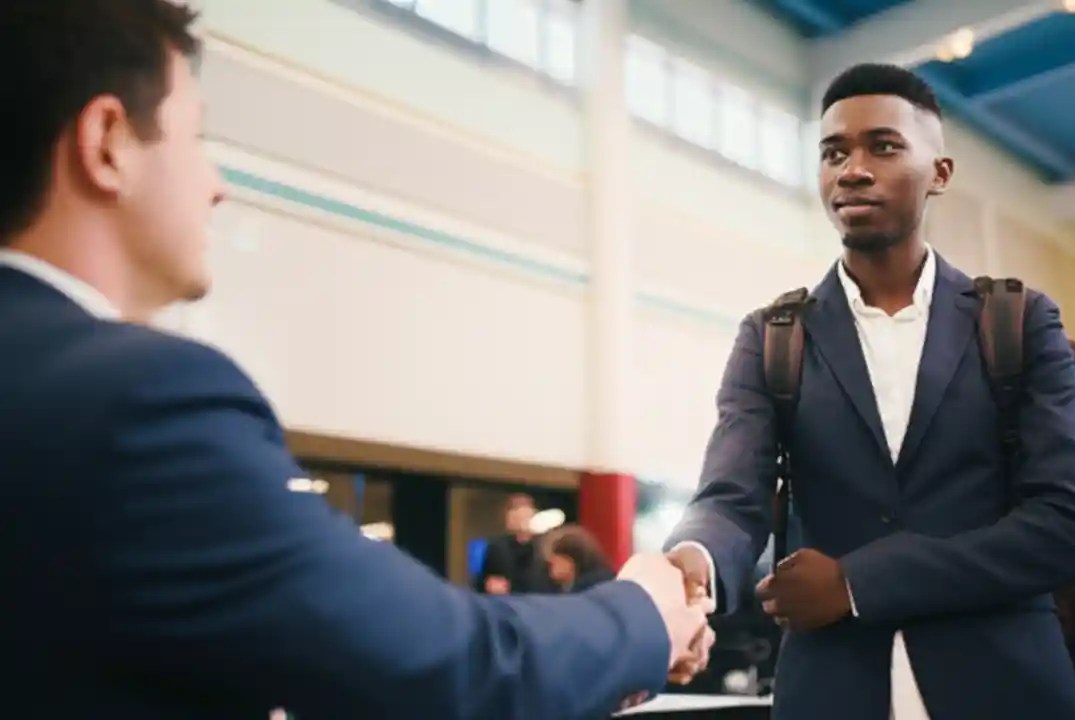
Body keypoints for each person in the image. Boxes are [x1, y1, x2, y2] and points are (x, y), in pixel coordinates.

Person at [0, 1, 711, 717]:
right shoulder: (143, 402)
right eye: (198, 137)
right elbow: (450, 666)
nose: (216, 183)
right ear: (107, 142)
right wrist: (642, 611)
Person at [663, 64, 1075, 719]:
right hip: (831, 690)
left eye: (883, 146)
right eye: (834, 152)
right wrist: (690, 560)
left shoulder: (1014, 322)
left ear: (941, 172)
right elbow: (730, 500)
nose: (852, 169)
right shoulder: (774, 338)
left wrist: (855, 583)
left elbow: (1071, 528)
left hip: (1006, 685)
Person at [476, 493, 553, 595]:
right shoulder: (497, 548)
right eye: (516, 515)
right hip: (507, 603)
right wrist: (489, 585)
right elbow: (482, 581)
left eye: (526, 515)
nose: (522, 520)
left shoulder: (544, 549)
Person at [543, 524, 617, 592]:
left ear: (571, 561)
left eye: (557, 559)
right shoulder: (563, 587)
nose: (550, 562)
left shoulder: (592, 588)